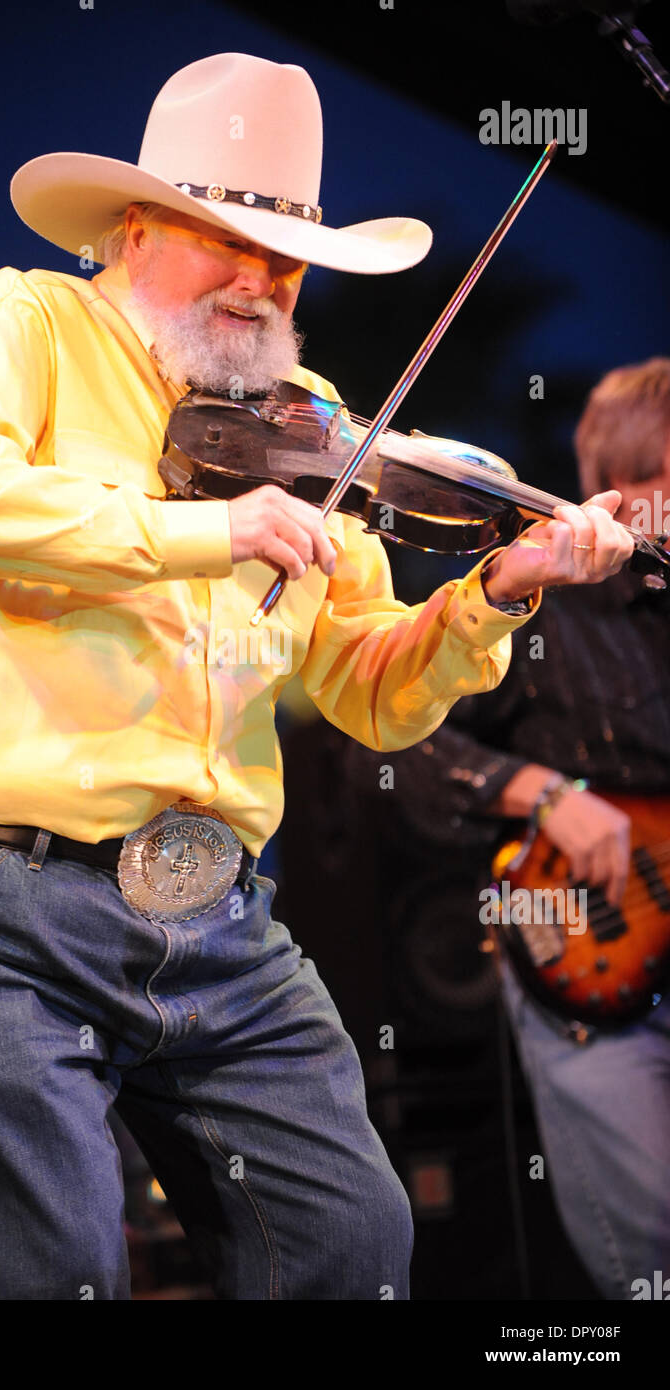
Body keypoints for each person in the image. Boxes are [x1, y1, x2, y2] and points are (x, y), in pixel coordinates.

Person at [0, 52, 634, 1301]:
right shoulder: (29, 326)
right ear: (139, 228)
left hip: (213, 915)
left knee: (354, 1243)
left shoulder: (314, 418)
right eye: (229, 239)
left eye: (286, 254)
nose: (263, 278)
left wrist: (497, 590)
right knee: (54, 1278)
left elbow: (372, 689)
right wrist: (213, 532)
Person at [329, 358, 670, 1300]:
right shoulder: (543, 595)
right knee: (651, 1252)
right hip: (586, 960)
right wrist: (547, 795)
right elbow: (388, 752)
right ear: (633, 485)